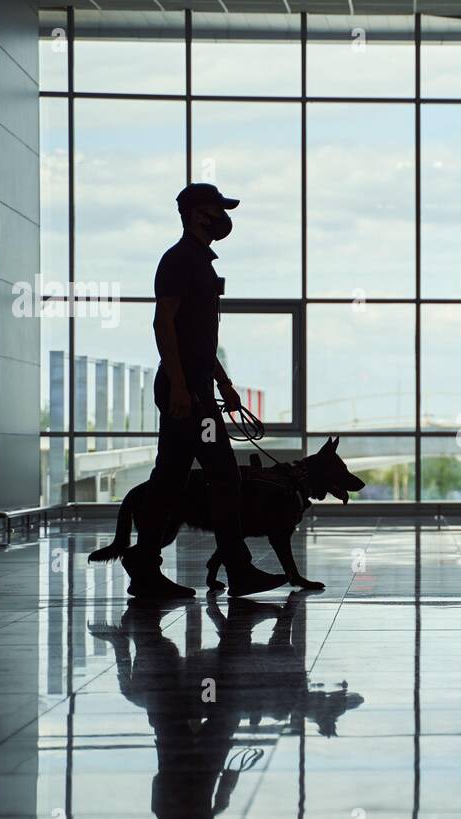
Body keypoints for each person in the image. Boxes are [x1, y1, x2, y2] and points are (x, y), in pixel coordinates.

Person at [119, 183, 287, 599]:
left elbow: (198, 339)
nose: (224, 217)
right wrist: (180, 385)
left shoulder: (199, 262)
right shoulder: (178, 261)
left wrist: (224, 382)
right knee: (224, 475)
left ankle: (144, 565)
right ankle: (238, 569)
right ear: (196, 214)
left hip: (194, 390)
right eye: (218, 209)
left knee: (170, 479)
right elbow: (164, 326)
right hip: (187, 394)